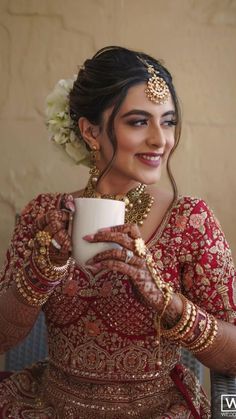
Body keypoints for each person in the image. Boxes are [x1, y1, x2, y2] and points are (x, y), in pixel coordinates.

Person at [0, 46, 236, 419]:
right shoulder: (44, 217)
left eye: (169, 121)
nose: (161, 140)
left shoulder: (190, 221)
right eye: (139, 122)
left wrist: (165, 301)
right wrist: (41, 270)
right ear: (90, 131)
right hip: (49, 405)